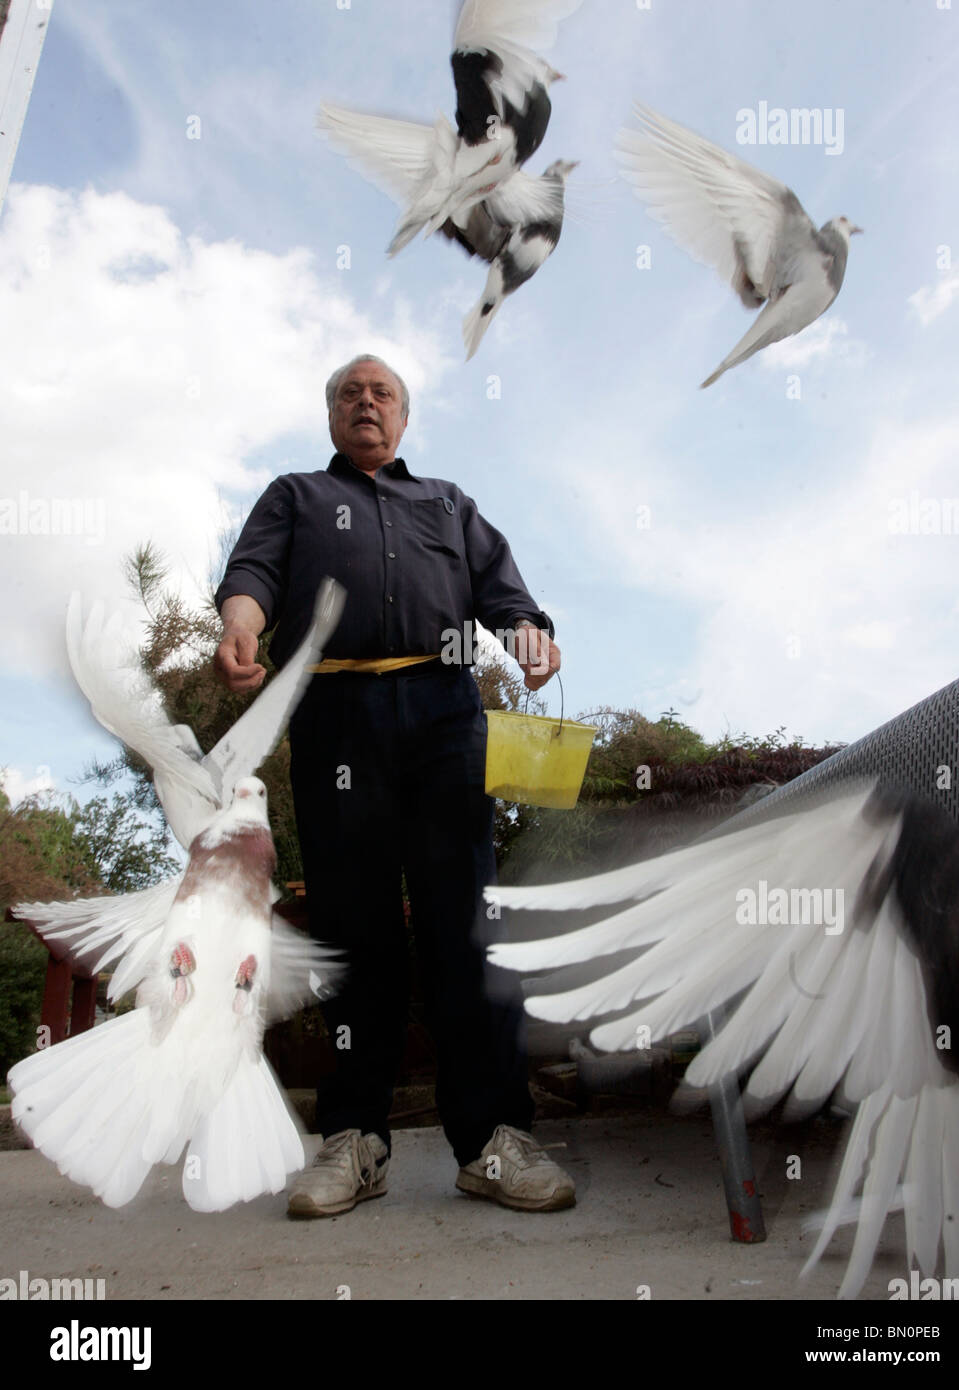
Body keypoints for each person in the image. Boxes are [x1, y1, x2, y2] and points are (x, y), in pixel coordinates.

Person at [213, 353, 575, 1218]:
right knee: (351, 924)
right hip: (335, 714)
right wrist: (241, 626)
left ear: (404, 420)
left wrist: (529, 637)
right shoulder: (294, 496)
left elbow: (507, 596)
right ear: (332, 416)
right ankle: (355, 1139)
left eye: (381, 395)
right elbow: (253, 578)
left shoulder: (447, 503)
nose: (365, 404)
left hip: (448, 714)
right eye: (349, 394)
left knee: (467, 919)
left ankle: (492, 1139)